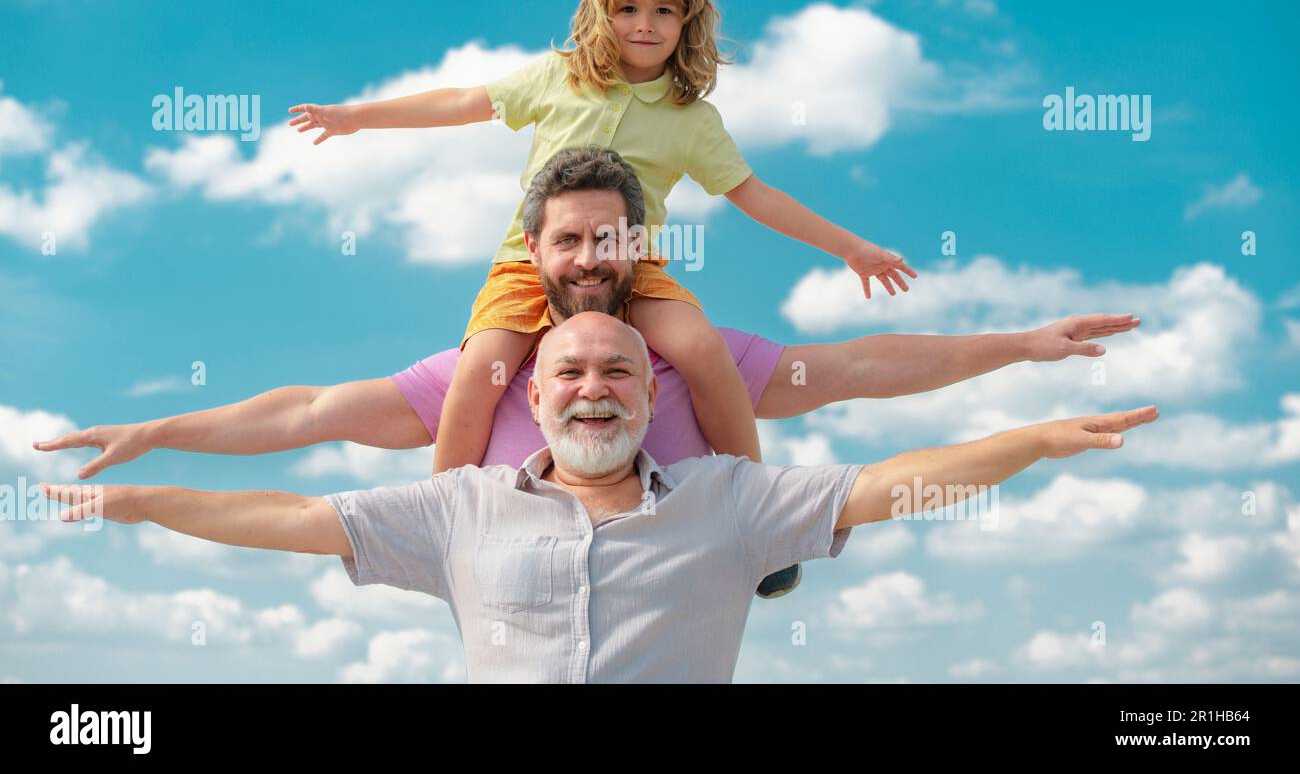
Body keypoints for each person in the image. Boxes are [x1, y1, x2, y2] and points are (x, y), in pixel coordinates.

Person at [34, 148, 1141, 601]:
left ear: (639, 249)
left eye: (611, 241)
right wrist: (157, 430)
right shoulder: (487, 360)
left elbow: (852, 367)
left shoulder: (688, 351)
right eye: (567, 242)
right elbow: (308, 411)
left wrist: (1017, 343)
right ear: (535, 252)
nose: (590, 261)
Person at [40, 311, 1159, 683]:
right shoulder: (460, 504)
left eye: (619, 370)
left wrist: (1036, 431)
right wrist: (149, 496)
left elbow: (890, 475)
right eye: (568, 373)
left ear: (653, 385)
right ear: (533, 392)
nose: (593, 387)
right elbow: (293, 498)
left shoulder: (731, 499)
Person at [286, 0, 918, 476]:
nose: (645, 24)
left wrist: (852, 249)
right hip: (528, 264)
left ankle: (752, 494)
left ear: (686, 24)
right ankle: (441, 506)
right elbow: (460, 102)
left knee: (702, 349)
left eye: (664, 11)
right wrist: (355, 118)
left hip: (633, 269)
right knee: (481, 370)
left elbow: (756, 196)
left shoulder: (691, 118)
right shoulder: (557, 76)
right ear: (599, 13)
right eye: (628, 8)